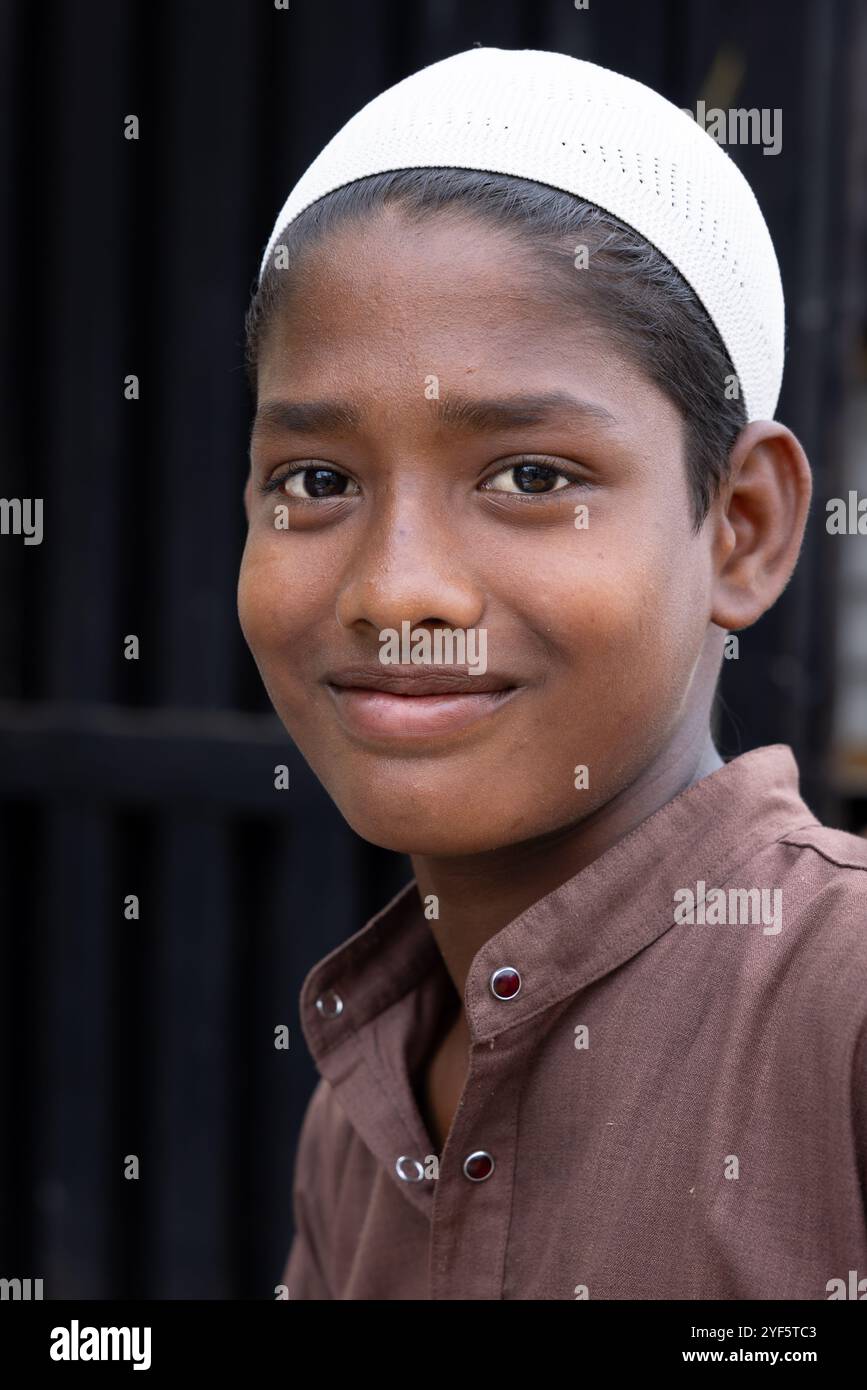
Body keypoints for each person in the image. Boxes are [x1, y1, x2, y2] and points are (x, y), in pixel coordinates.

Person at [237, 46, 867, 1299]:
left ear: (742, 524)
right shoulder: (367, 1098)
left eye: (531, 477)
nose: (394, 589)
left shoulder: (839, 1013)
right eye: (319, 483)